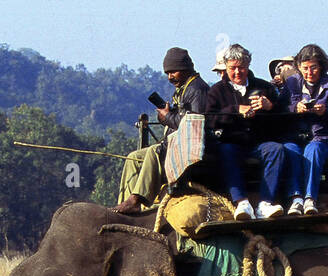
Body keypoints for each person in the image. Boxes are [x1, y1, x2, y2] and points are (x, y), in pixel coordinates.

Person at [113, 48, 210, 214]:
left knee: (153, 152)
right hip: (174, 143)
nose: (170, 77)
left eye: (174, 72)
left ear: (186, 69)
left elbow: (194, 125)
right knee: (134, 158)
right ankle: (125, 203)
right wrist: (167, 115)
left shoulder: (197, 90)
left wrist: (167, 118)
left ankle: (137, 200)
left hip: (187, 148)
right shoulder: (183, 88)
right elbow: (180, 118)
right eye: (167, 73)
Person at [203, 43, 288, 220]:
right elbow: (210, 119)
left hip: (259, 143)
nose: (237, 73)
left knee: (276, 149)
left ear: (248, 66)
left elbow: (283, 116)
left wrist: (270, 106)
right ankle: (241, 201)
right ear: (225, 68)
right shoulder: (216, 91)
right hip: (231, 143)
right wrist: (235, 110)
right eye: (232, 68)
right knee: (226, 150)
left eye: (241, 68)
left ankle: (265, 203)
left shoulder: (265, 87)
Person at [275, 44, 328, 214]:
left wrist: (326, 113)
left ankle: (310, 198)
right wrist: (295, 108)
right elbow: (279, 109)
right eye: (305, 68)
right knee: (290, 150)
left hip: (321, 139)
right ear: (299, 68)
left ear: (322, 66)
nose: (309, 72)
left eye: (313, 68)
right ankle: (296, 198)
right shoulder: (292, 84)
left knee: (313, 150)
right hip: (295, 137)